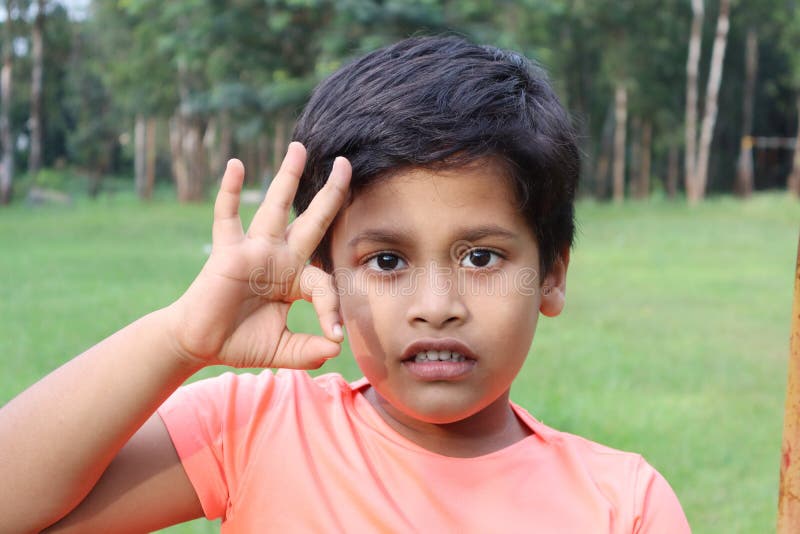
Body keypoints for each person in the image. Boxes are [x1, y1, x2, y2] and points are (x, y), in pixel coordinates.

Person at [0, 36, 691, 533]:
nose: (436, 308)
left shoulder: (621, 504)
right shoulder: (257, 428)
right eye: (386, 262)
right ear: (326, 274)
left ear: (552, 273)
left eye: (481, 258)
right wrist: (180, 338)